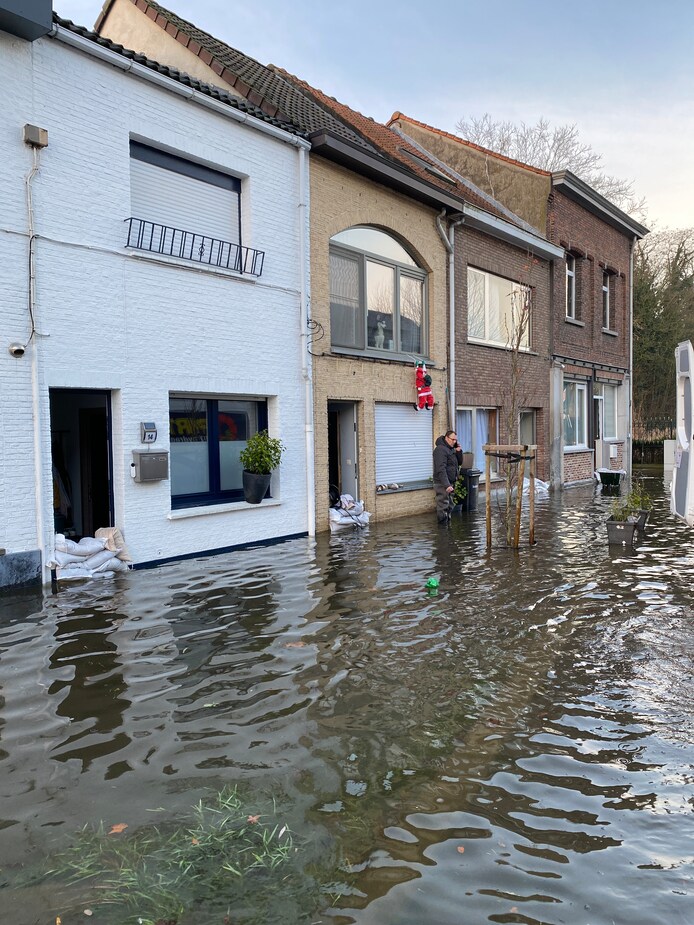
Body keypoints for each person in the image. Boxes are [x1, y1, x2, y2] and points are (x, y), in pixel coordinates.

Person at [433, 430, 462, 523]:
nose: (454, 442)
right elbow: (440, 469)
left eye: (455, 440)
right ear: (446, 438)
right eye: (452, 439)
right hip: (442, 484)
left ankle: (447, 528)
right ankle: (442, 531)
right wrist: (447, 485)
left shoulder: (450, 449)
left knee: (450, 505)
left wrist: (458, 451)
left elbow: (460, 462)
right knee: (443, 506)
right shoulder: (440, 450)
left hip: (450, 482)